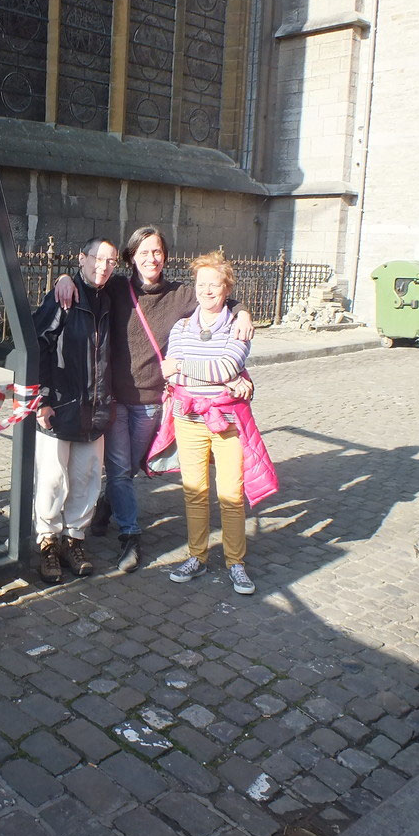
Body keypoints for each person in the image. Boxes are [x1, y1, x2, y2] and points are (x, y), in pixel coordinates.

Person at [54, 226, 253, 573]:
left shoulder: (179, 295)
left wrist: (244, 312)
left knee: (132, 466)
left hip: (150, 400)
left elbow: (219, 296)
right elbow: (87, 281)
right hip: (115, 397)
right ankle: (130, 536)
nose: (152, 258)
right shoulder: (116, 288)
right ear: (131, 257)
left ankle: (106, 505)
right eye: (144, 252)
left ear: (165, 256)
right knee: (119, 471)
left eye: (157, 251)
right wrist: (63, 278)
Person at [161, 251, 272, 595]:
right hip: (188, 418)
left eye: (215, 285)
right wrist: (218, 377)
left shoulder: (239, 326)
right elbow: (204, 371)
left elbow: (224, 368)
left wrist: (182, 367)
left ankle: (235, 562)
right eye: (202, 284)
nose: (207, 291)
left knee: (231, 494)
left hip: (227, 422)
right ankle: (197, 555)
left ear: (227, 290)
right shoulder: (180, 327)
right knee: (195, 493)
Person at [31, 237, 118, 584]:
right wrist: (42, 400)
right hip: (60, 405)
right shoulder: (64, 296)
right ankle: (48, 540)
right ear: (82, 258)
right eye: (97, 258)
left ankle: (75, 539)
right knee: (53, 478)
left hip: (95, 409)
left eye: (111, 261)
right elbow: (39, 347)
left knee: (86, 477)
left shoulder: (112, 298)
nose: (103, 266)